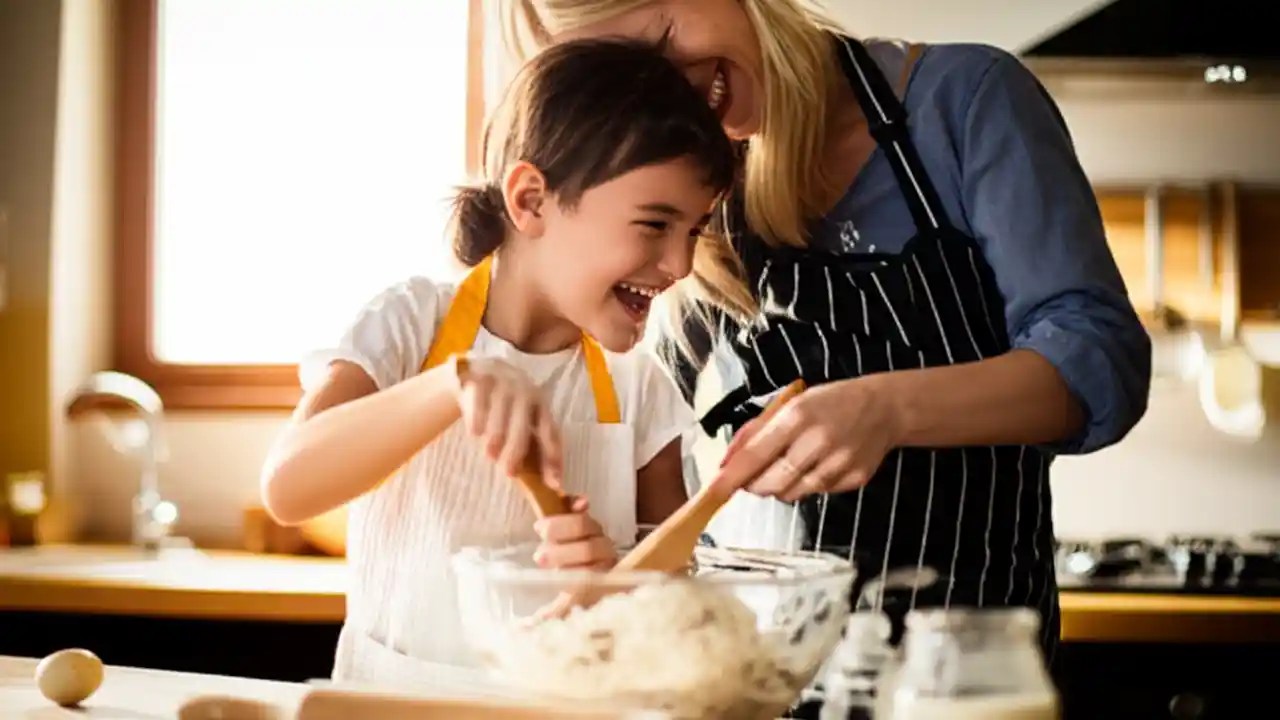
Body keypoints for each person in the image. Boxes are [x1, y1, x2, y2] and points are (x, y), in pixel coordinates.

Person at [499, 0, 1152, 667]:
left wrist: (887, 409)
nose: (678, 90)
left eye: (664, 39)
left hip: (959, 679)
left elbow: (1102, 363)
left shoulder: (962, 102)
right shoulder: (681, 208)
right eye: (637, 78)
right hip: (748, 682)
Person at [258, 38, 737, 680]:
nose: (679, 265)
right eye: (655, 225)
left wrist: (611, 585)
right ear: (531, 201)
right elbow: (289, 488)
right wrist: (454, 383)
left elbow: (671, 607)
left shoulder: (640, 388)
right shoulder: (411, 326)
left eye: (694, 232)